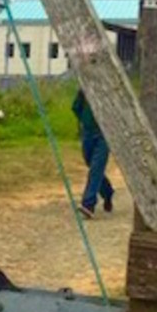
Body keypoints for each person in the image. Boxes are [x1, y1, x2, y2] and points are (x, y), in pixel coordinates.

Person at [71, 87, 114, 219]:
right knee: (90, 162)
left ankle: (88, 204)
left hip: (104, 134)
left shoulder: (109, 89)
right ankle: (107, 192)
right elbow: (76, 107)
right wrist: (84, 122)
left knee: (96, 168)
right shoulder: (85, 88)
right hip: (88, 133)